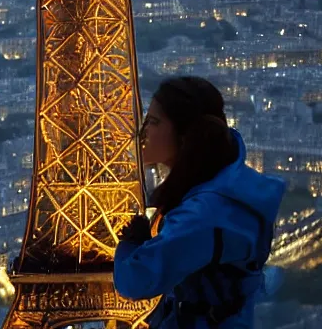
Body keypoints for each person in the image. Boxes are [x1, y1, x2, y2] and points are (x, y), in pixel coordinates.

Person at [114, 76, 286, 328]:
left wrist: (130, 244)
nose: (142, 131)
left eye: (153, 121)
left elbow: (136, 281)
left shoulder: (202, 216)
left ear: (184, 136)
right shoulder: (230, 191)